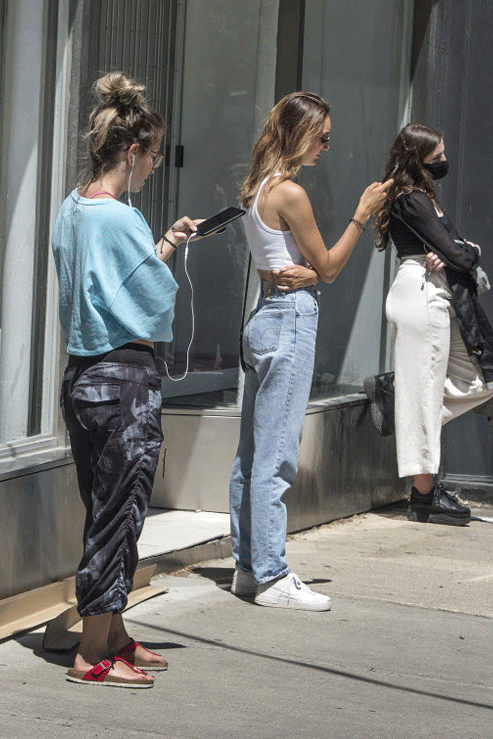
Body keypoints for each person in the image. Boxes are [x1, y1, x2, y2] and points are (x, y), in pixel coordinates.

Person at [51, 71, 196, 688]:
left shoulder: (73, 208)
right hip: (125, 380)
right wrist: (162, 255)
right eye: (154, 156)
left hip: (83, 376)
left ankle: (112, 633)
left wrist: (160, 245)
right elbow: (150, 301)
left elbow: (111, 283)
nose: (154, 168)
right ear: (132, 151)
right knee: (121, 512)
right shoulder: (121, 218)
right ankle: (94, 650)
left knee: (104, 508)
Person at [229, 92, 391, 611]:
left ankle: (248, 565)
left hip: (263, 318)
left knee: (251, 454)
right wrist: (361, 216)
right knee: (276, 454)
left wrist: (305, 268)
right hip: (289, 318)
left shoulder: (256, 188)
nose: (326, 145)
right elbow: (331, 266)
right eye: (321, 137)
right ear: (298, 134)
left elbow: (278, 263)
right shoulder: (291, 193)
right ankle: (273, 576)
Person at [365, 124, 493, 525]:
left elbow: (456, 251)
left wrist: (461, 251)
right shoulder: (411, 198)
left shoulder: (422, 197)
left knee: (484, 377)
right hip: (423, 292)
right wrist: (466, 251)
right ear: (418, 159)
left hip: (434, 293)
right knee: (426, 399)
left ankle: (397, 395)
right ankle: (425, 496)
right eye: (437, 157)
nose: (444, 162)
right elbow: (459, 253)